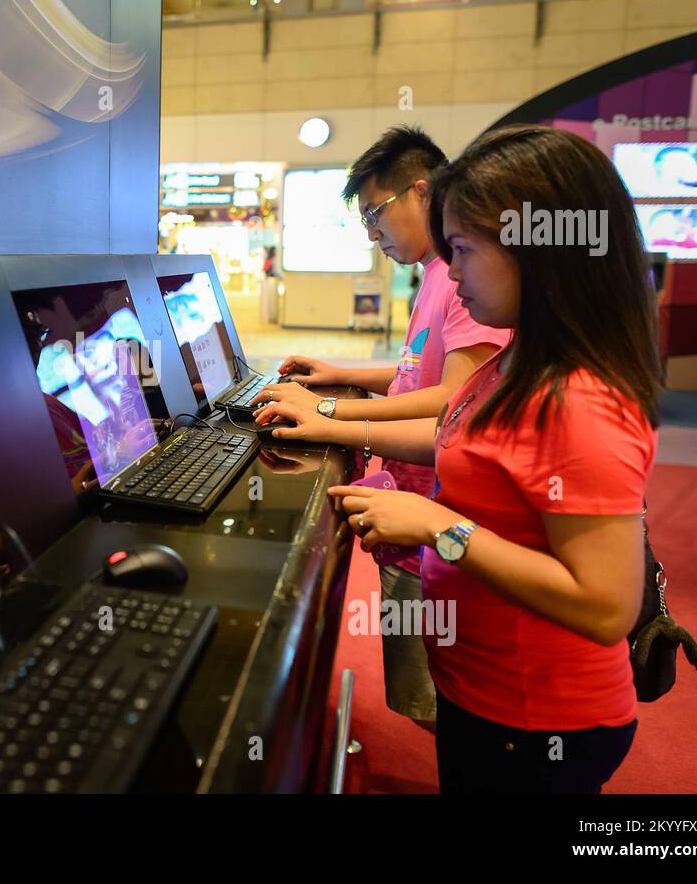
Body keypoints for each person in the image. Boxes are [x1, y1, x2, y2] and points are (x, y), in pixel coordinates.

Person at [259, 124, 660, 793]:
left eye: (466, 250)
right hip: (484, 696)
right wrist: (327, 417)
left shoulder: (582, 401)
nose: (454, 272)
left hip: (535, 724)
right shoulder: (518, 360)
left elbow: (605, 605)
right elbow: (448, 431)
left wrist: (435, 524)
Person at [252, 126, 510, 730]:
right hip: (417, 517)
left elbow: (451, 408)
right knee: (432, 693)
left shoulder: (465, 280)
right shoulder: (440, 275)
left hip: (437, 521)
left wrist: (333, 415)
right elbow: (420, 373)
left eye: (375, 213)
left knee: (443, 700)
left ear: (422, 192)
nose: (371, 233)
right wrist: (341, 376)